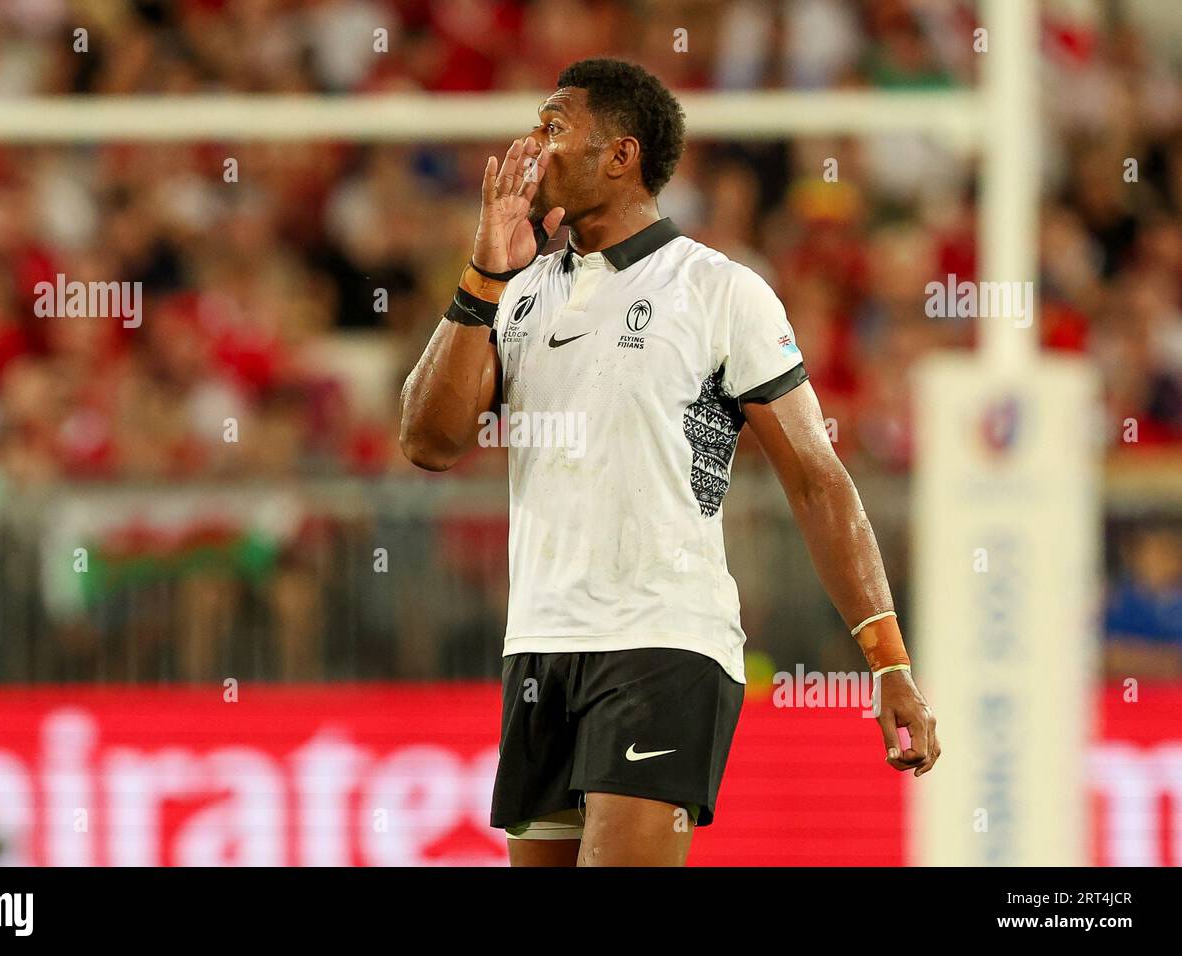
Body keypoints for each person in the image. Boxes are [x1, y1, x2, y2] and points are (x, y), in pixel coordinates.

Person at [399, 58, 940, 867]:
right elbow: (428, 442)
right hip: (541, 645)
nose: (531, 149)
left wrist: (889, 661)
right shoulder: (516, 291)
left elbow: (818, 480)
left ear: (620, 156)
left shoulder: (721, 291)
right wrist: (481, 276)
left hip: (664, 641)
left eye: (555, 130)